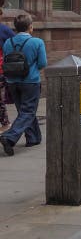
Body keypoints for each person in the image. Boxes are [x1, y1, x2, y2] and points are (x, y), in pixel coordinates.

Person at [0, 14, 47, 156]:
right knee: (28, 111)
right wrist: (32, 70)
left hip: (13, 81)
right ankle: (9, 137)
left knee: (24, 111)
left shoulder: (9, 42)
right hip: (30, 81)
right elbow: (42, 63)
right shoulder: (37, 42)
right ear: (30, 27)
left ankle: (33, 138)